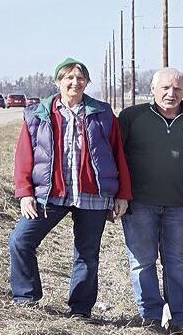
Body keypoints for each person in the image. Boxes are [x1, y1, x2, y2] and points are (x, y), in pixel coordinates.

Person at [8, 58, 132, 318]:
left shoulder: (102, 113)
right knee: (20, 240)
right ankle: (26, 297)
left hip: (92, 195)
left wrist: (122, 194)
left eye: (80, 78)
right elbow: (24, 156)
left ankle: (80, 309)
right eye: (69, 78)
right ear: (58, 82)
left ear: (86, 82)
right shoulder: (38, 114)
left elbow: (118, 153)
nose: (75, 83)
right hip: (50, 194)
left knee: (87, 254)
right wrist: (25, 193)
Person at [118, 68, 183, 335]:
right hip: (138, 204)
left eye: (177, 89)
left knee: (176, 262)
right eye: (164, 88)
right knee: (142, 261)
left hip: (178, 204)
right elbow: (114, 157)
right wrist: (118, 196)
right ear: (152, 89)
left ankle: (180, 318)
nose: (170, 93)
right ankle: (150, 315)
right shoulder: (132, 117)